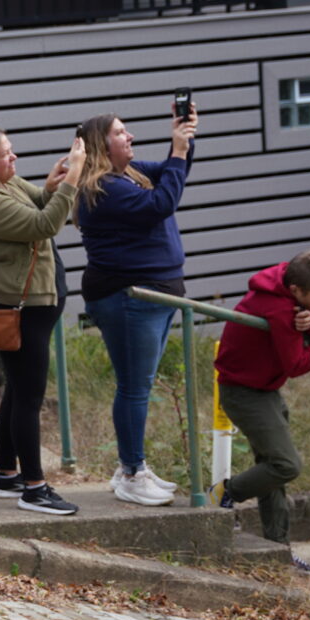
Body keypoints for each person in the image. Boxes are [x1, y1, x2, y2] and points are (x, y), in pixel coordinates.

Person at [0, 124, 88, 516]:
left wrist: (55, 183)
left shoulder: (3, 185)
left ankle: (5, 474)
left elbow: (42, 203)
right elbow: (44, 225)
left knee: (17, 390)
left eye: (12, 151)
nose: (14, 158)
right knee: (28, 397)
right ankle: (34, 488)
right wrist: (74, 178)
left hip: (24, 304)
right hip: (16, 308)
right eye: (5, 154)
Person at [74, 106, 199, 507]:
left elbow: (170, 173)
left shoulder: (127, 174)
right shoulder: (104, 187)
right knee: (134, 387)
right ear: (101, 146)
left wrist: (182, 141)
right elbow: (160, 204)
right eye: (121, 133)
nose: (129, 137)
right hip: (130, 299)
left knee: (138, 385)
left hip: (155, 295)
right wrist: (178, 153)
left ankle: (131, 465)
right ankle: (131, 471)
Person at [207, 251, 310, 572]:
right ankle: (223, 493)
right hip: (245, 393)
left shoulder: (288, 286)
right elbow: (297, 364)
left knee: (271, 468)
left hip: (264, 389)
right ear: (297, 291)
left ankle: (277, 551)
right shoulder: (278, 308)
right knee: (286, 465)